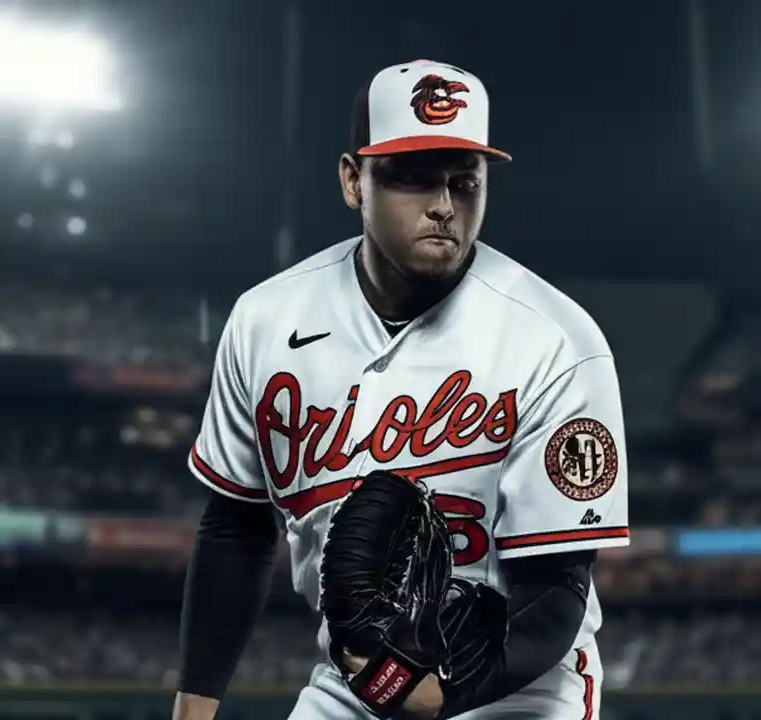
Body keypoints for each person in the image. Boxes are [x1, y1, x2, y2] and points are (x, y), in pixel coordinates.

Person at [172, 59, 629, 720]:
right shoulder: (266, 320)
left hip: (517, 689)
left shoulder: (555, 339)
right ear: (353, 181)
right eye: (412, 178)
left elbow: (556, 587)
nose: (443, 205)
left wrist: (436, 693)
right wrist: (193, 711)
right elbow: (237, 530)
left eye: (463, 181)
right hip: (354, 682)